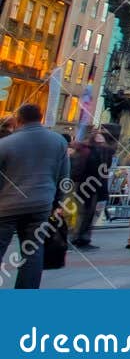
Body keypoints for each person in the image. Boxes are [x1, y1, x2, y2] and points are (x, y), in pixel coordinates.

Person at [0, 103, 70, 289]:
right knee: (33, 252)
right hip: (41, 204)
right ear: (40, 117)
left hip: (6, 206)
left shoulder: (5, 144)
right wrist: (58, 202)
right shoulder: (58, 141)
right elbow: (64, 176)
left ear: (19, 119)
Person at [67, 125, 114, 249]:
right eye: (95, 132)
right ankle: (78, 238)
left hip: (86, 185)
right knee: (84, 213)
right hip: (87, 186)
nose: (98, 134)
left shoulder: (86, 150)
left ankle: (79, 237)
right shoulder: (88, 151)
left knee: (85, 213)